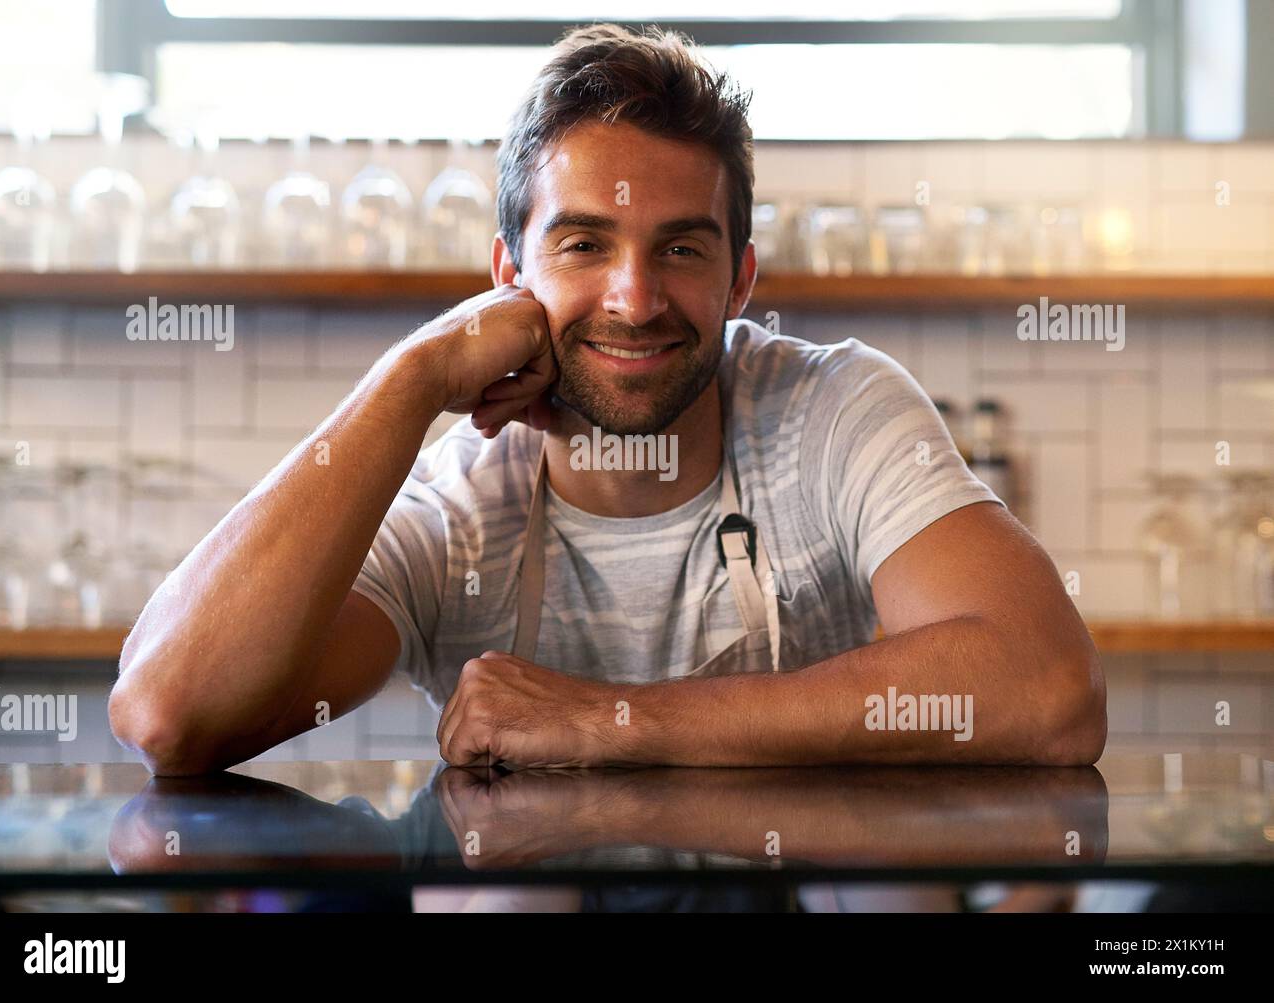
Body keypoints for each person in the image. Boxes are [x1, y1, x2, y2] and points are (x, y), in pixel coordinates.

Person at [109, 24, 1105, 782]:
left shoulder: (832, 409)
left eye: (680, 248)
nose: (634, 299)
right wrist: (410, 379)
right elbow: (169, 714)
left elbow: (1049, 690)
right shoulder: (459, 509)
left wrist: (616, 720)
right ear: (507, 278)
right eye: (584, 245)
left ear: (740, 280)